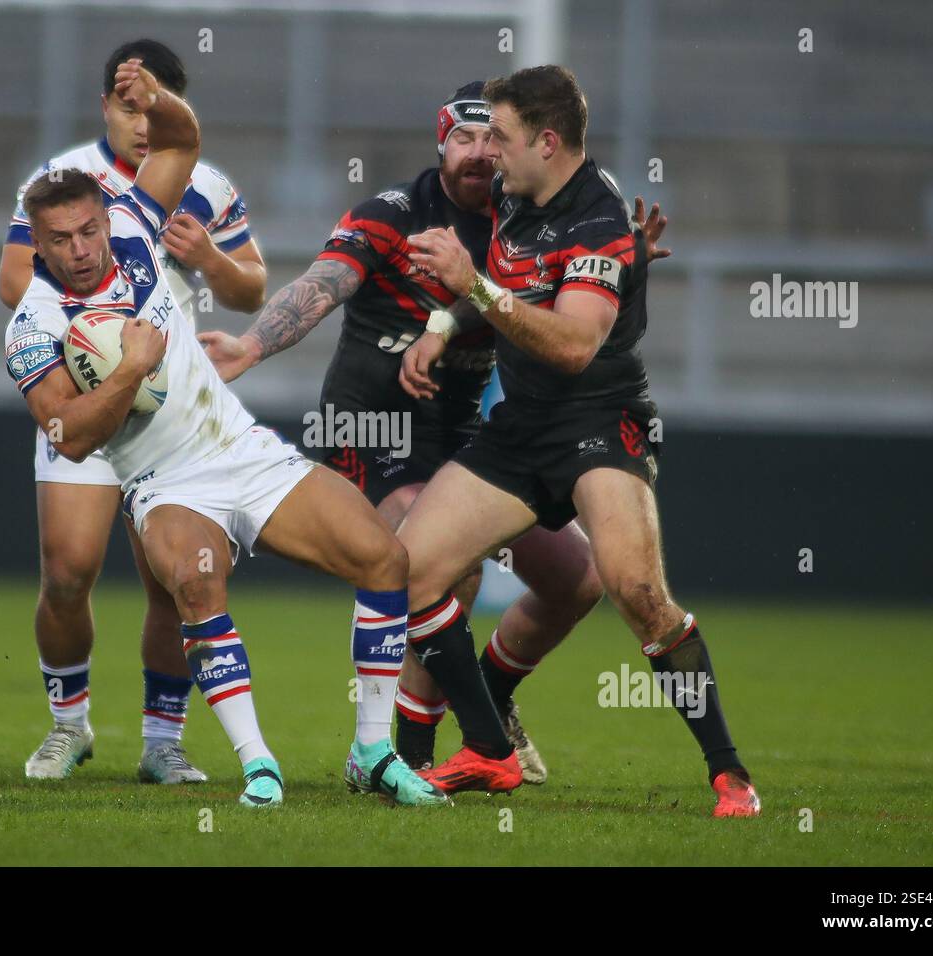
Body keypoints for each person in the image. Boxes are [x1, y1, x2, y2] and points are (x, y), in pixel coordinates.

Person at [4, 60, 446, 809]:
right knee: (195, 584)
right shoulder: (33, 327)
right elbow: (67, 434)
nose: (80, 248)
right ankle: (257, 763)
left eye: (87, 230)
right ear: (38, 246)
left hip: (244, 450)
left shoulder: (142, 230)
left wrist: (158, 100)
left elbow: (181, 138)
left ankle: (371, 751)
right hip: (165, 482)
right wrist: (125, 374)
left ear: (106, 220)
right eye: (59, 239)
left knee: (384, 556)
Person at [200, 83, 668, 790]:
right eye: (464, 138)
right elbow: (326, 283)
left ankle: (491, 703)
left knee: (580, 580)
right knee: (441, 562)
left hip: (464, 435)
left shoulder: (526, 219)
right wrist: (251, 347)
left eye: (493, 138)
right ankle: (405, 757)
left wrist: (626, 269)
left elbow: (578, 303)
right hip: (369, 431)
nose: (480, 152)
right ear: (440, 144)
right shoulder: (395, 213)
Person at [401, 65, 760, 816]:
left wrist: (472, 288)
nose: (488, 151)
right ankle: (480, 750)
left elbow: (570, 347)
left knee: (636, 592)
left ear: (549, 141)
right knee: (408, 572)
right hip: (522, 428)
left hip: (598, 422)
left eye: (499, 137)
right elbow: (522, 292)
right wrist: (442, 323)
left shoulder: (598, 222)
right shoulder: (515, 195)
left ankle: (730, 775)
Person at [0, 39, 265, 784]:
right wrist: (99, 340)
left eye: (155, 104)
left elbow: (250, 290)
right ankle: (68, 726)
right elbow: (12, 280)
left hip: (169, 404)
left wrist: (207, 261)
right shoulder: (60, 186)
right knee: (66, 571)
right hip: (88, 390)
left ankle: (161, 742)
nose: (142, 121)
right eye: (128, 104)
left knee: (170, 580)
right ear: (105, 107)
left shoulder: (202, 185)